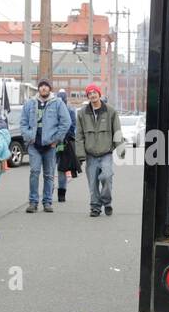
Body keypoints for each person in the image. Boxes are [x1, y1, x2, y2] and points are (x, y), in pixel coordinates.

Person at [20, 80, 70, 212]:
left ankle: (47, 202)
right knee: (34, 172)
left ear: (50, 89)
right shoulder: (30, 103)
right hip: (34, 145)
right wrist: (28, 137)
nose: (43, 88)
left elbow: (66, 122)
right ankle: (33, 202)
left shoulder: (57, 103)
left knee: (48, 175)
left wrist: (57, 139)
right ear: (38, 89)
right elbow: (23, 122)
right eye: (41, 86)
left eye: (46, 86)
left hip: (50, 145)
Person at [73, 83, 123, 217]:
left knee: (107, 176)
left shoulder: (110, 111)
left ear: (99, 94)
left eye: (95, 92)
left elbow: (117, 130)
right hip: (90, 154)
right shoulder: (82, 113)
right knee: (93, 182)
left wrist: (120, 149)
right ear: (88, 96)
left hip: (106, 152)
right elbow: (79, 135)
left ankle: (106, 202)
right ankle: (95, 207)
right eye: (90, 93)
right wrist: (80, 154)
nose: (93, 95)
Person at [55, 90, 81, 204]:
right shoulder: (70, 109)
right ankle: (60, 194)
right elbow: (73, 127)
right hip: (62, 142)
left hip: (61, 143)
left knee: (58, 169)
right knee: (60, 168)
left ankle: (59, 194)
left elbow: (72, 126)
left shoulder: (63, 109)